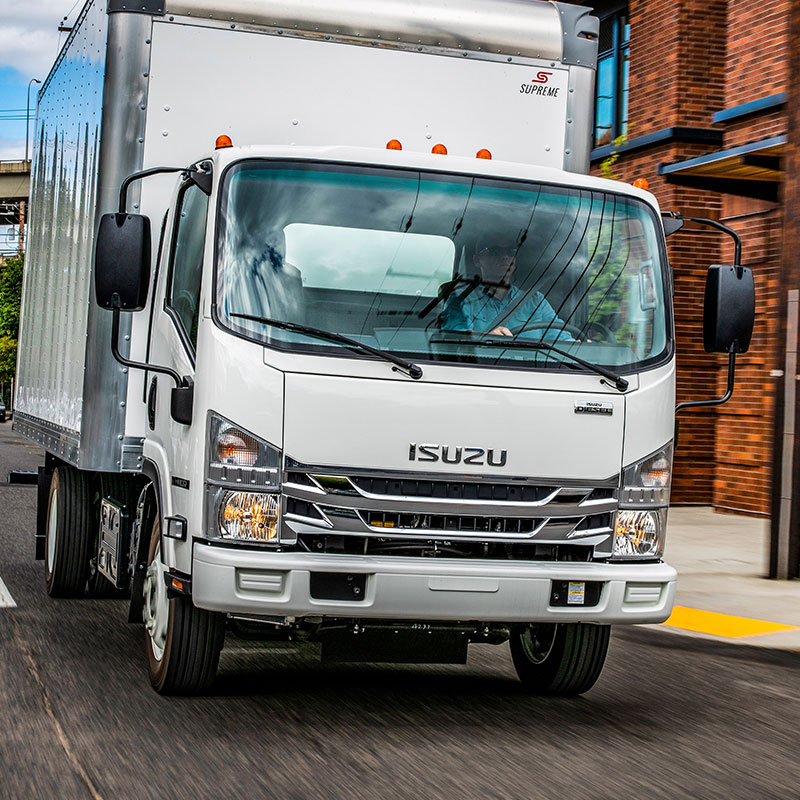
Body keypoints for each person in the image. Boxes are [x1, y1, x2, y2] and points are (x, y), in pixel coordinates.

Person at [439, 244, 573, 340]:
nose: (505, 257)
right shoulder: (460, 298)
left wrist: (578, 347)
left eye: (511, 252)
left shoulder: (535, 300)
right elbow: (453, 335)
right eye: (495, 251)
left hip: (532, 372)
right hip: (479, 371)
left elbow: (560, 336)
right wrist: (485, 336)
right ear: (477, 260)